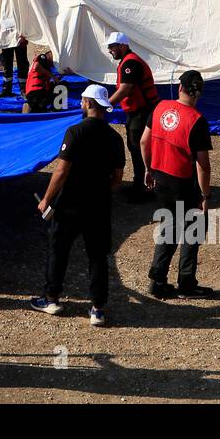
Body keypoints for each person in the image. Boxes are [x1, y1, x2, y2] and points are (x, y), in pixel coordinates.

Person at [31, 85, 125, 327]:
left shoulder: (75, 132)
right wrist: (102, 191)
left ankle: (51, 298)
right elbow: (117, 177)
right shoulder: (115, 138)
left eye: (83, 100)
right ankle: (97, 308)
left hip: (70, 204)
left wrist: (47, 199)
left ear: (89, 103)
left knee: (59, 250)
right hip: (99, 205)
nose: (81, 103)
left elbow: (62, 171)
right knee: (98, 256)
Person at [142, 70, 213, 299]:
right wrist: (205, 194)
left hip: (160, 176)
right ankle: (186, 282)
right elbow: (203, 164)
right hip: (182, 180)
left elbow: (144, 140)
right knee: (193, 229)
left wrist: (148, 169)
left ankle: (157, 280)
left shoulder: (160, 106)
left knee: (169, 228)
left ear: (180, 88)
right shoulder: (197, 120)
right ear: (199, 93)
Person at [106, 31, 159, 201]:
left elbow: (125, 89)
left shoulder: (131, 63)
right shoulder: (128, 61)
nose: (110, 50)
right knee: (134, 147)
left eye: (113, 47)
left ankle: (145, 188)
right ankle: (139, 184)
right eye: (109, 47)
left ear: (123, 45)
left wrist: (105, 105)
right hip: (137, 112)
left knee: (139, 148)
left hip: (142, 112)